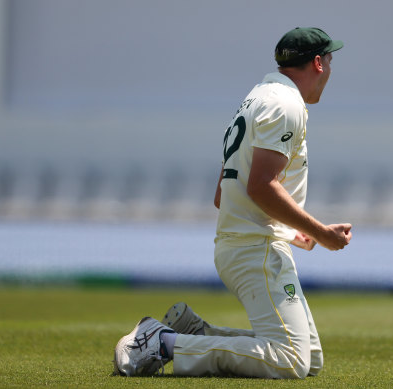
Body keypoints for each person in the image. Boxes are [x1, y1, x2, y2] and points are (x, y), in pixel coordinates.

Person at [114, 27, 352, 379]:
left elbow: (223, 194)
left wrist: (290, 230)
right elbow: (261, 186)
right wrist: (322, 233)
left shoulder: (256, 97)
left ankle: (197, 335)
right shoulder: (287, 104)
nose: (331, 70)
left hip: (244, 243)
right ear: (318, 62)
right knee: (291, 360)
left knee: (309, 359)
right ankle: (162, 343)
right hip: (254, 249)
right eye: (330, 61)